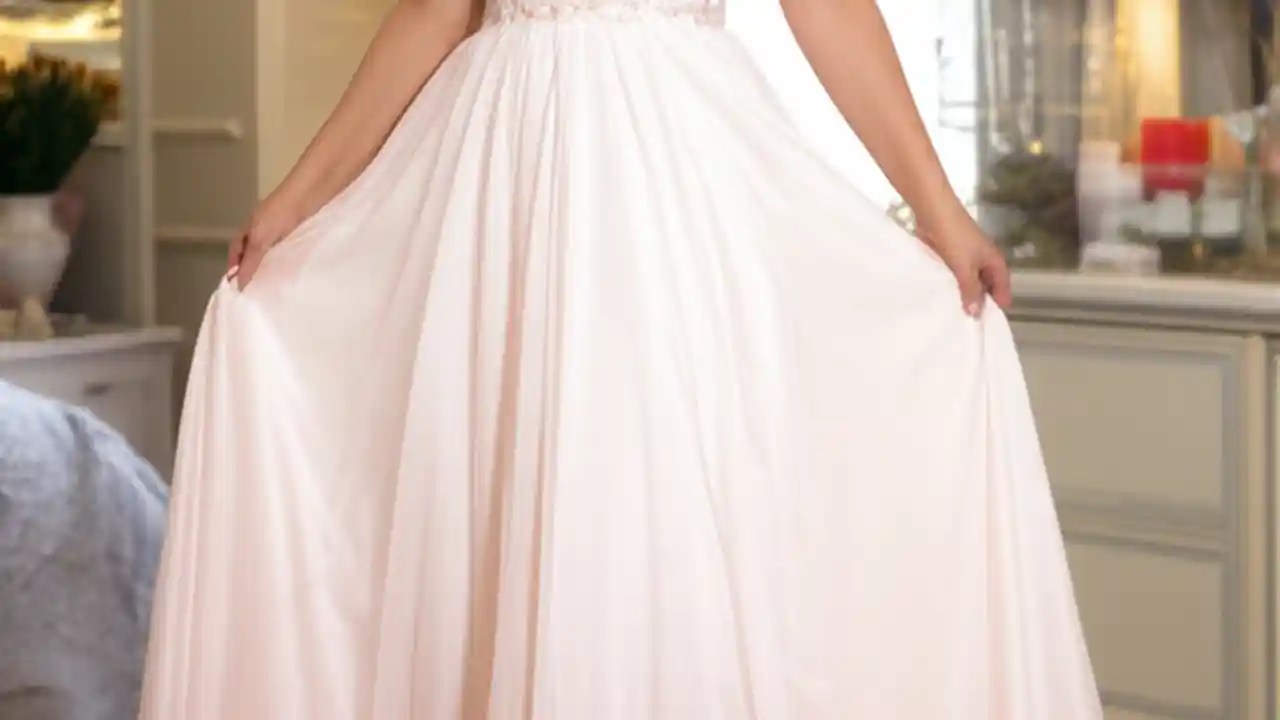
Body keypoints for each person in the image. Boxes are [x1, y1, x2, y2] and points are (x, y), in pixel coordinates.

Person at [140, 0, 1103, 717]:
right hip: (498, 186)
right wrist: (297, 199)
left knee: (659, 513)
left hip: (671, 177)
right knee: (501, 520)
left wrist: (942, 213)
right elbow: (437, 10)